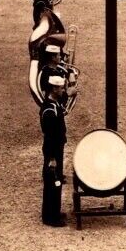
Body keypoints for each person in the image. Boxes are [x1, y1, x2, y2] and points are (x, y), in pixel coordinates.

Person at [40, 75, 68, 226]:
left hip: (57, 147)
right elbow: (50, 135)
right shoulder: (50, 110)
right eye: (61, 88)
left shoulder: (53, 104)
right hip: (53, 150)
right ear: (54, 89)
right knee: (53, 181)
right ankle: (51, 217)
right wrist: (51, 158)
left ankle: (54, 211)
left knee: (56, 180)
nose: (63, 90)